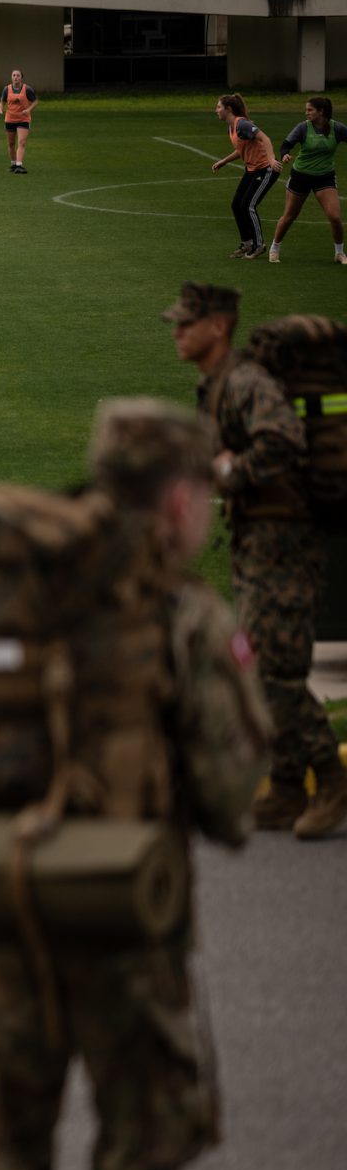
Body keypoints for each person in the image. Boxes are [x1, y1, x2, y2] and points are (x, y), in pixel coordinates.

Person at [0, 398, 267, 1170]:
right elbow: (233, 799)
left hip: (9, 899)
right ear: (175, 499)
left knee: (5, 1151)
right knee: (136, 1156)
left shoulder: (16, 576)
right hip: (125, 915)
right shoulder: (179, 609)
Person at [167, 281, 347, 839]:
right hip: (255, 539)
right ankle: (288, 787)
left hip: (283, 540)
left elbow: (283, 440)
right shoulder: (215, 384)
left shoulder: (245, 381)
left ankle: (331, 780)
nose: (176, 332)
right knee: (259, 665)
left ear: (218, 326)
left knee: (274, 675)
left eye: (186, 323)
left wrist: (230, 473)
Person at [268, 95, 344, 266]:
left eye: (310, 110)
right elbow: (285, 145)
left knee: (335, 217)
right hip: (301, 176)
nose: (306, 113)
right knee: (289, 216)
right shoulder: (302, 128)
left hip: (325, 177)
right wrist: (285, 154)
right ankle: (275, 248)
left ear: (321, 111)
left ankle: (339, 253)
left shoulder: (336, 128)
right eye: (306, 109)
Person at [211, 93, 277, 260]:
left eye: (218, 107)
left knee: (249, 205)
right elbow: (241, 150)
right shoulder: (231, 127)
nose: (216, 110)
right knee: (236, 205)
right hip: (251, 170)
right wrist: (223, 161)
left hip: (265, 170)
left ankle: (259, 245)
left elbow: (265, 138)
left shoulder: (242, 124)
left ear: (229, 109)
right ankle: (247, 242)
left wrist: (271, 159)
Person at [0, 69, 38, 173]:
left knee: (21, 142)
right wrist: (0, 110)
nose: (16, 77)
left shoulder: (27, 89)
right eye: (14, 75)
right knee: (11, 143)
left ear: (21, 78)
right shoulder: (6, 89)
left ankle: (19, 165)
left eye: (18, 75)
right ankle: (14, 164)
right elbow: (2, 102)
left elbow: (35, 101)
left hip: (23, 119)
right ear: (11, 77)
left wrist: (28, 110)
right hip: (10, 119)